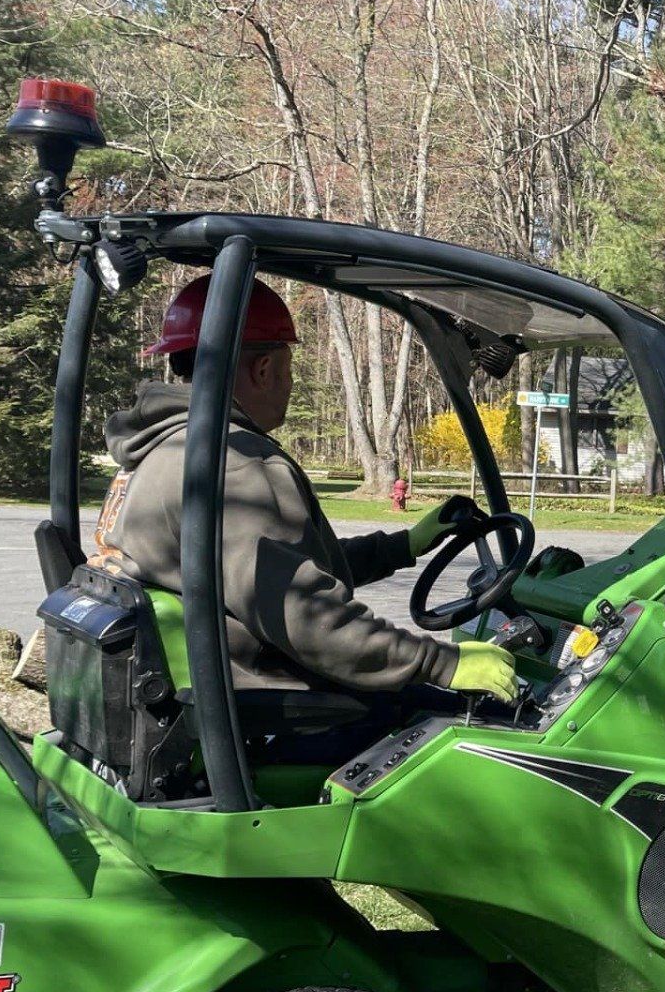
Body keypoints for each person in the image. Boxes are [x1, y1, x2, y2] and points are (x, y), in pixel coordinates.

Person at [94, 275, 520, 712]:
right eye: (290, 367)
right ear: (264, 369)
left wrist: (404, 545)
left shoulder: (170, 448)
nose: (291, 382)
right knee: (487, 724)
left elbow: (278, 570)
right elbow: (308, 620)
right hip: (268, 700)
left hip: (222, 685)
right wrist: (440, 661)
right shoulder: (237, 464)